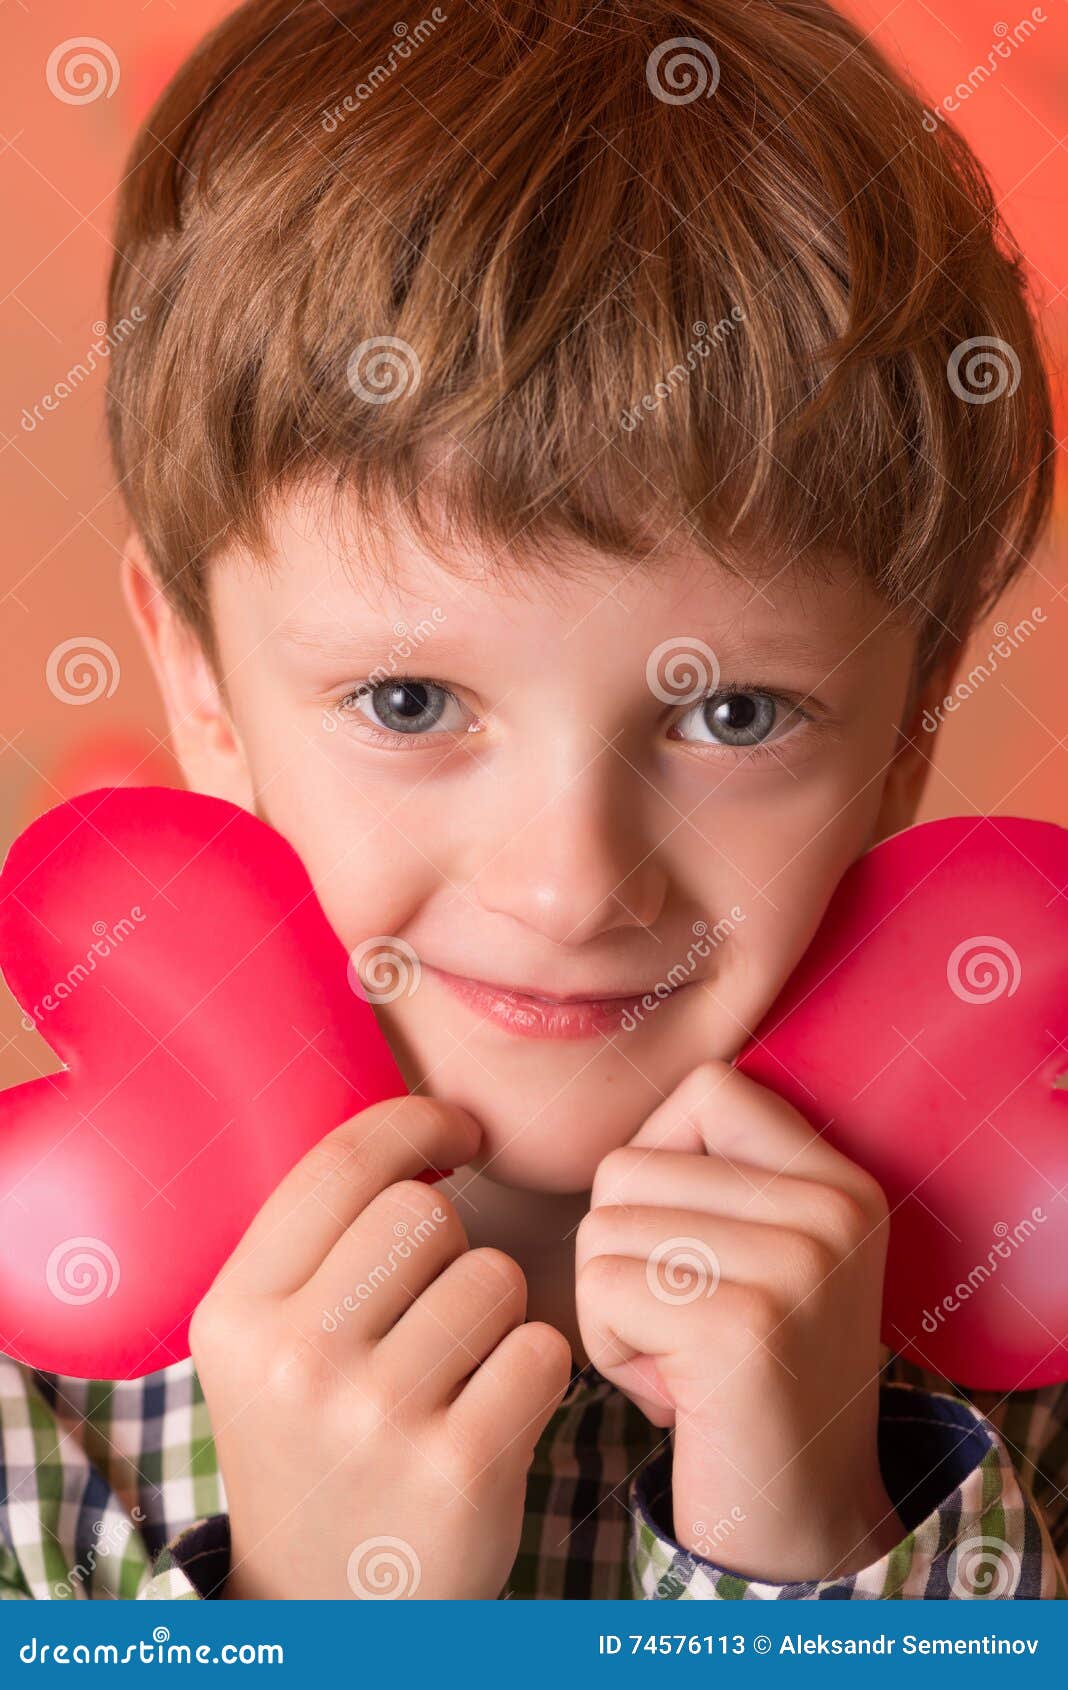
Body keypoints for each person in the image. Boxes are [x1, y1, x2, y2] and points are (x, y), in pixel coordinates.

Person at [1, 0, 1063, 1599]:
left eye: (731, 711)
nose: (572, 887)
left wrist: (822, 1545)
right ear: (203, 679)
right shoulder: (39, 1430)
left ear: (913, 724)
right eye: (409, 702)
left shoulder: (1021, 1416)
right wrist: (317, 1615)